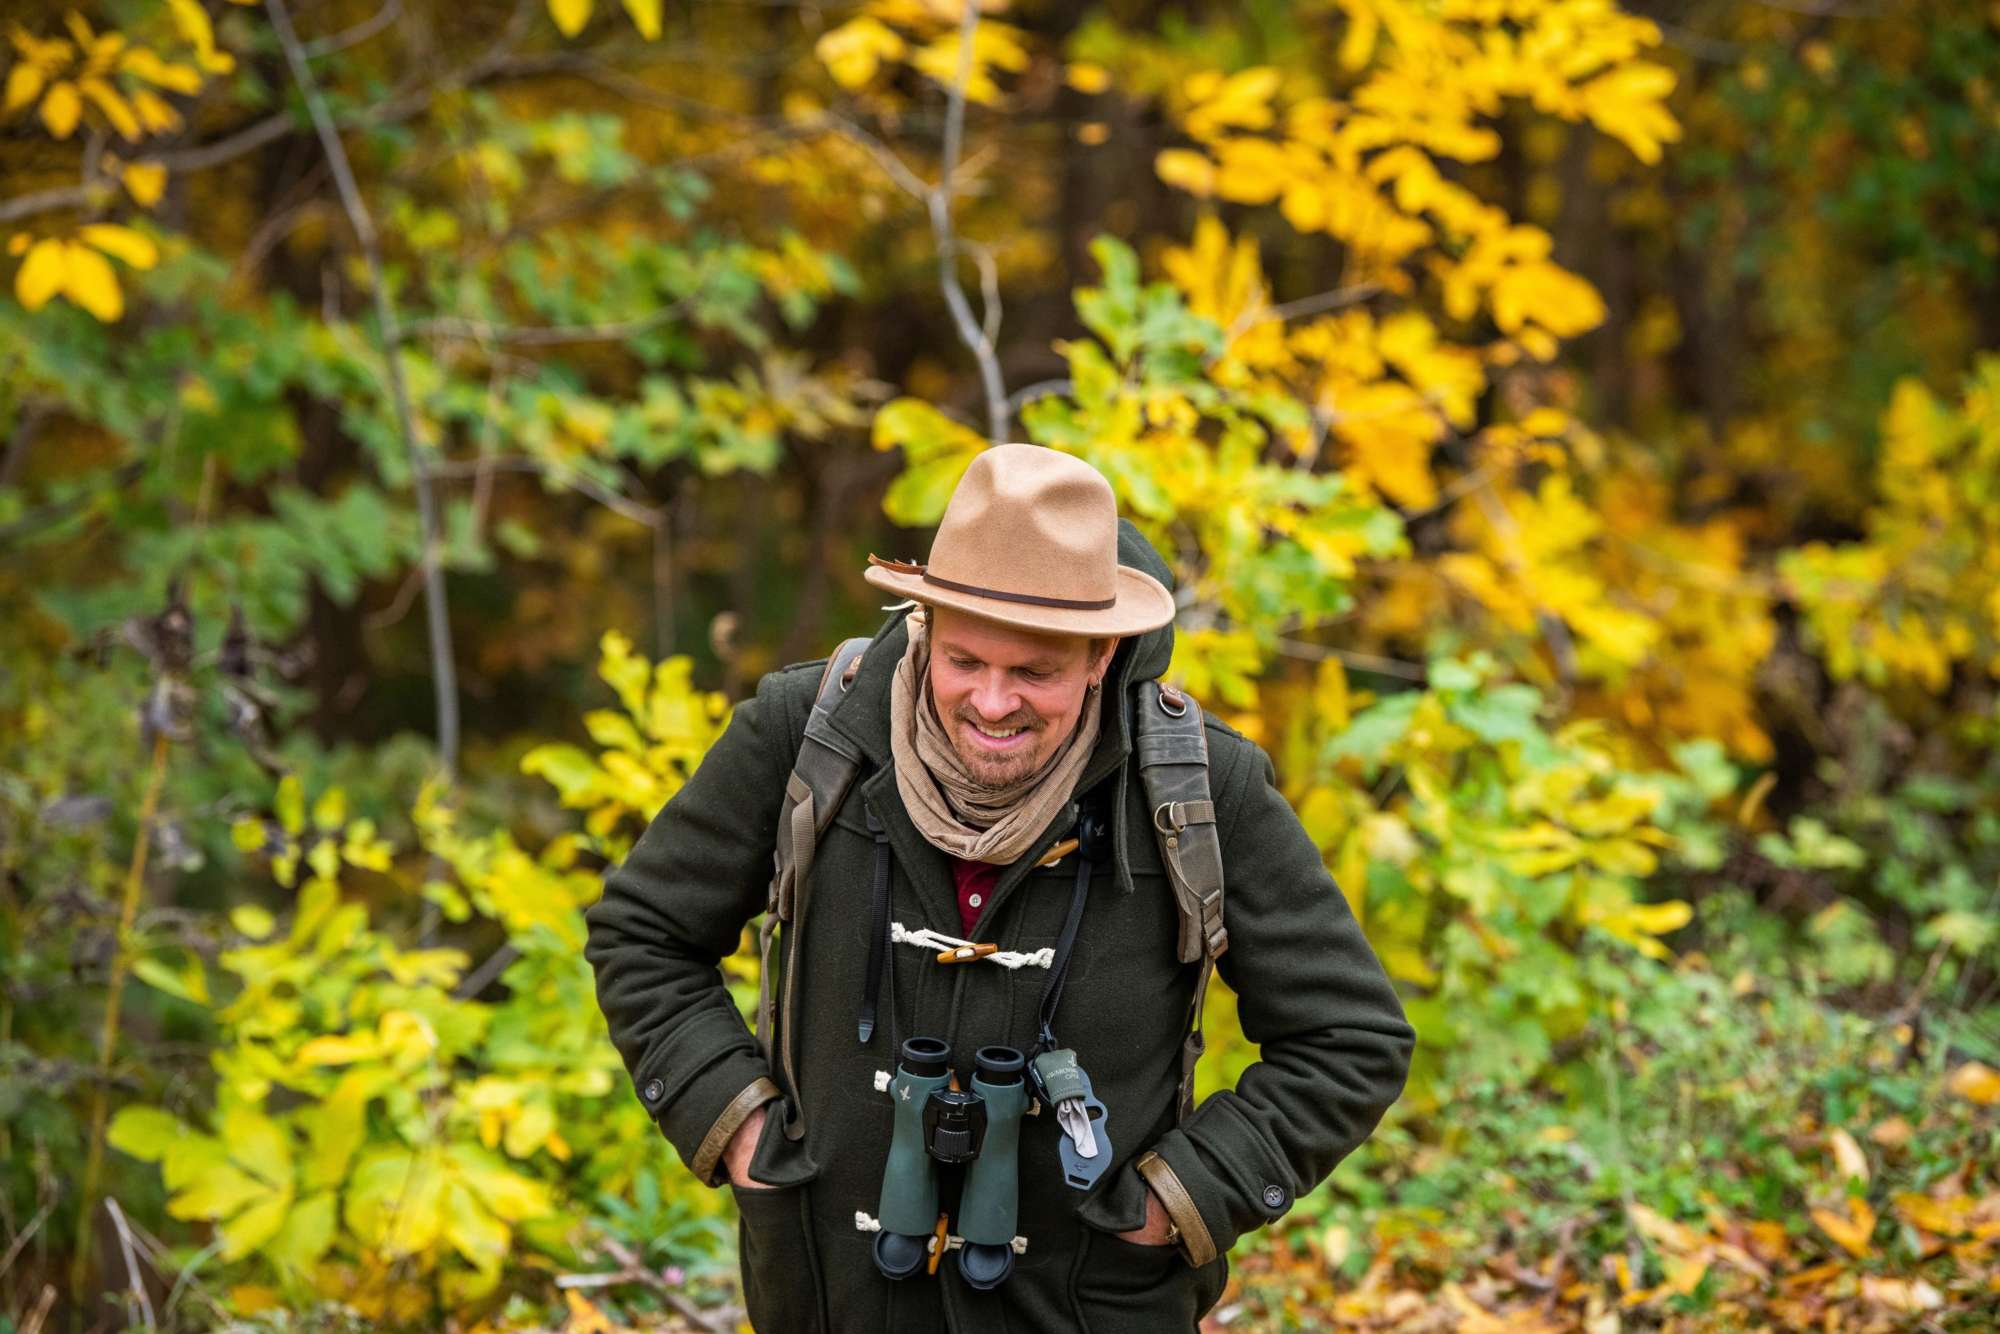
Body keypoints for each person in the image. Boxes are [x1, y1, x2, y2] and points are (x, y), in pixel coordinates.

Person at [584, 443, 1414, 1333]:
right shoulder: (806, 734)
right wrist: (741, 1131)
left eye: (1035, 673)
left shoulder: (1200, 785)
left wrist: (1176, 1204)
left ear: (1101, 657)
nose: (990, 703)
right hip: (830, 1298)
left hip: (1087, 1306)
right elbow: (644, 933)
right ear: (925, 627)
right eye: (965, 661)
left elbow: (1350, 1038)